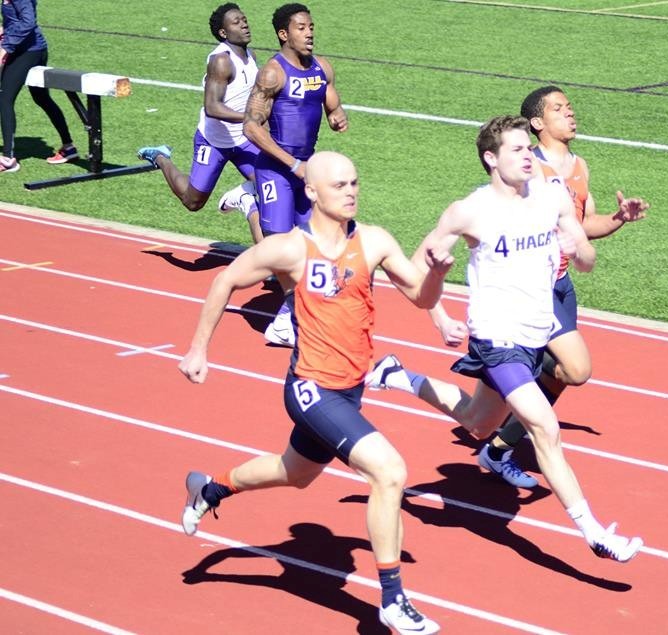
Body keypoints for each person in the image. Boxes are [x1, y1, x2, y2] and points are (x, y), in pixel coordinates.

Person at [178, 151, 446, 634]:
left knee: (294, 473)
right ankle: (392, 600)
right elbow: (226, 280)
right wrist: (199, 349)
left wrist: (439, 273)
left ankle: (209, 488)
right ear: (313, 192)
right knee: (390, 472)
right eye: (340, 184)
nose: (351, 191)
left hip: (350, 390)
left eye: (355, 182)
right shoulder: (291, 249)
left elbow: (422, 297)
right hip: (309, 387)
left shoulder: (376, 241)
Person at [366, 115, 644, 563]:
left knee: (479, 422)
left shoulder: (552, 197)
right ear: (490, 159)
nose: (529, 157)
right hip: (497, 336)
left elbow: (588, 261)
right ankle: (594, 532)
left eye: (529, 149)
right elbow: (412, 273)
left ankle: (399, 377)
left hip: (537, 332)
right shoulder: (469, 210)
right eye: (517, 150)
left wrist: (579, 250)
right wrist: (439, 315)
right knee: (545, 430)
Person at [431, 87, 650, 489]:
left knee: (561, 374)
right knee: (575, 368)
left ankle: (499, 441)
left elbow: (582, 228)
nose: (570, 113)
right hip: (533, 288)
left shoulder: (579, 166)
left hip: (563, 283)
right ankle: (505, 398)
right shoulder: (531, 169)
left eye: (569, 107)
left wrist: (618, 219)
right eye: (558, 108)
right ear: (537, 123)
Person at [242, 3, 348, 347]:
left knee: (316, 242)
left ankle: (289, 319)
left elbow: (331, 102)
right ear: (284, 34)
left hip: (308, 169)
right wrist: (292, 164)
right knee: (279, 245)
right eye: (302, 28)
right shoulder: (273, 73)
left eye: (312, 26)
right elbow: (251, 128)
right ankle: (250, 204)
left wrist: (337, 116)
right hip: (276, 169)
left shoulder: (322, 68)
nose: (310, 33)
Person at [137, 3, 263, 243]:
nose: (244, 24)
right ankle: (161, 158)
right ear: (223, 33)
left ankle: (246, 201)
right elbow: (212, 107)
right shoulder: (221, 61)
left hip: (244, 139)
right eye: (236, 22)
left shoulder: (251, 57)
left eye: (244, 19)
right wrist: (250, 119)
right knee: (192, 202)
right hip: (213, 141)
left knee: (271, 187)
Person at [0, 0, 77, 173]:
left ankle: (8, 159)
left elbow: (28, 21)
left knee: (4, 99)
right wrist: (4, 30)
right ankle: (69, 147)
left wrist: (5, 47)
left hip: (28, 52)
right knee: (41, 98)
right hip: (30, 49)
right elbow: (17, 19)